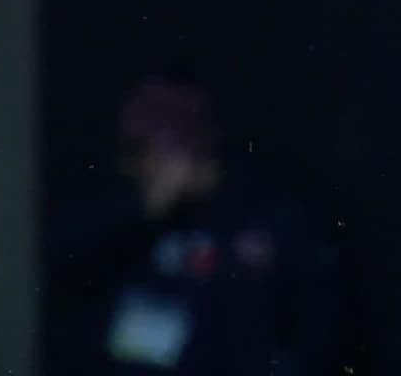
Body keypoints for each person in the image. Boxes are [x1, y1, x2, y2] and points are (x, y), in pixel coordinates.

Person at [44, 77, 341, 376]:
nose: (130, 166)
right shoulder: (131, 220)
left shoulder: (266, 218)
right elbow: (66, 269)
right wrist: (141, 214)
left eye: (139, 150)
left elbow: (311, 323)